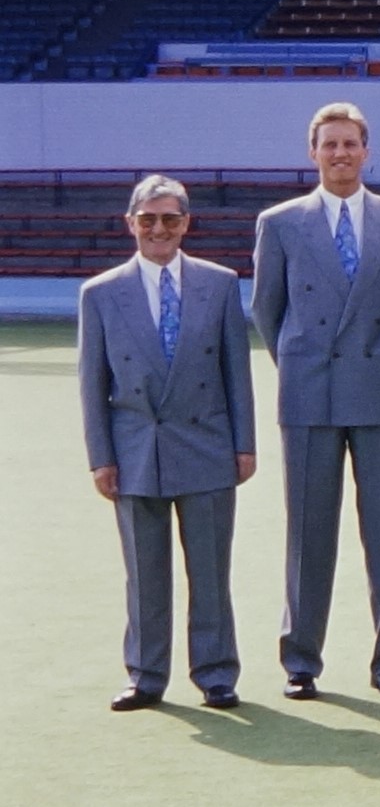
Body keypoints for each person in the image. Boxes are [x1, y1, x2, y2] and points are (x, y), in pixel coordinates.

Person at [252, 102, 380, 700]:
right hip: (309, 396)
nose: (340, 154)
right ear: (313, 152)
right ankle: (301, 660)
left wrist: (369, 359)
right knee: (308, 534)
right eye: (329, 145)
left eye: (350, 144)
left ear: (366, 150)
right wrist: (304, 362)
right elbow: (266, 310)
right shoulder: (279, 223)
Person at [80, 175, 255, 711]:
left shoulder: (220, 284)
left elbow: (235, 373)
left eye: (171, 219)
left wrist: (243, 444)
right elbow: (92, 382)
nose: (160, 229)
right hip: (135, 450)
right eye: (149, 219)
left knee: (210, 570)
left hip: (206, 444)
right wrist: (101, 457)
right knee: (145, 574)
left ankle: (216, 672)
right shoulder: (101, 292)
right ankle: (146, 674)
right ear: (130, 223)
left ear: (187, 223)